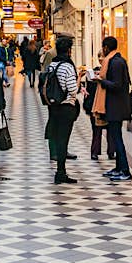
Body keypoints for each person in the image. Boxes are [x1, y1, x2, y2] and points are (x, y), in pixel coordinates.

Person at [93, 36, 132, 181]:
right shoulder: (117, 60)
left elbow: (117, 85)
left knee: (117, 139)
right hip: (115, 105)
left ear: (106, 48)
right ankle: (118, 168)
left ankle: (125, 171)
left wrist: (101, 81)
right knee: (116, 138)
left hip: (116, 107)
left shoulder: (115, 62)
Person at [45, 37, 81, 184]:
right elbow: (72, 89)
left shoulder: (53, 64)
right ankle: (61, 172)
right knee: (63, 140)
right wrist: (79, 78)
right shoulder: (67, 66)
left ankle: (60, 171)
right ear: (68, 51)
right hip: (66, 107)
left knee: (59, 137)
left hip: (54, 106)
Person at [83, 64, 112, 159]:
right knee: (96, 130)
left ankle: (111, 152)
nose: (101, 58)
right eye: (99, 56)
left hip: (107, 105)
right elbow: (88, 91)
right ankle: (95, 152)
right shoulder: (92, 73)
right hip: (95, 106)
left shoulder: (109, 73)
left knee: (110, 130)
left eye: (102, 56)